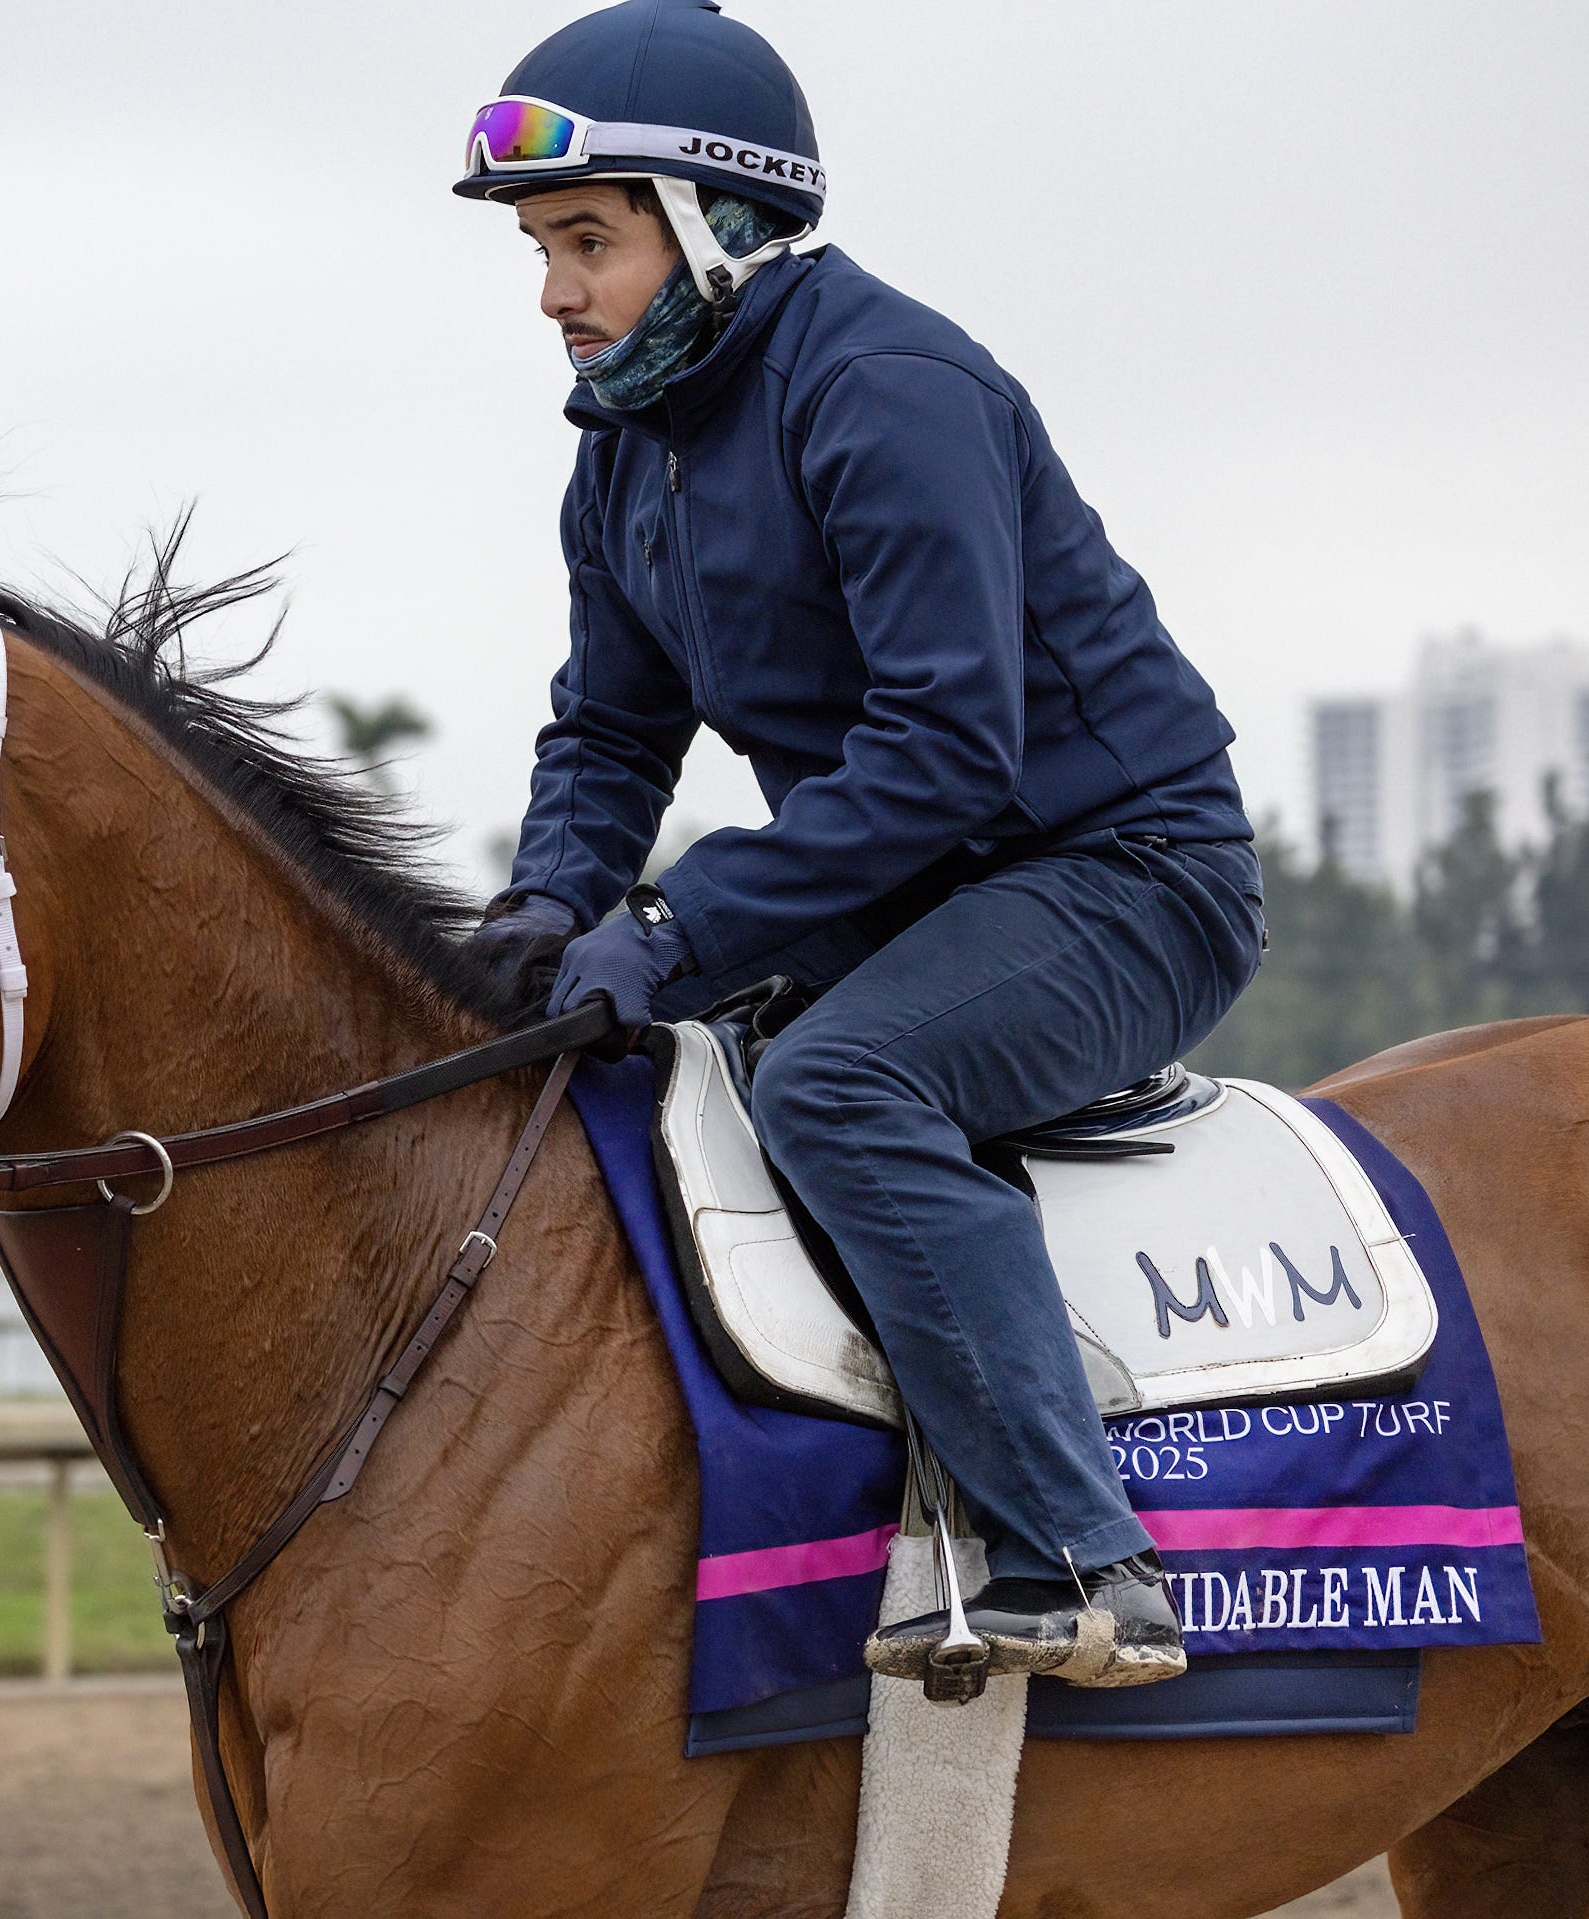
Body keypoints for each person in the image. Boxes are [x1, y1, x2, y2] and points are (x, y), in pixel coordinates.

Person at [454, 0, 1267, 1688]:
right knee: (603, 1062)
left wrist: (668, 928)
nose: (553, 295)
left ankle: (1086, 1561)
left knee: (838, 1084)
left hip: (1124, 875)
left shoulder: (887, 389)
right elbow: (609, 736)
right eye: (542, 250)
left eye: (588, 242)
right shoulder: (621, 460)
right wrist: (542, 910)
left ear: (719, 226)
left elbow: (948, 750)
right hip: (904, 891)